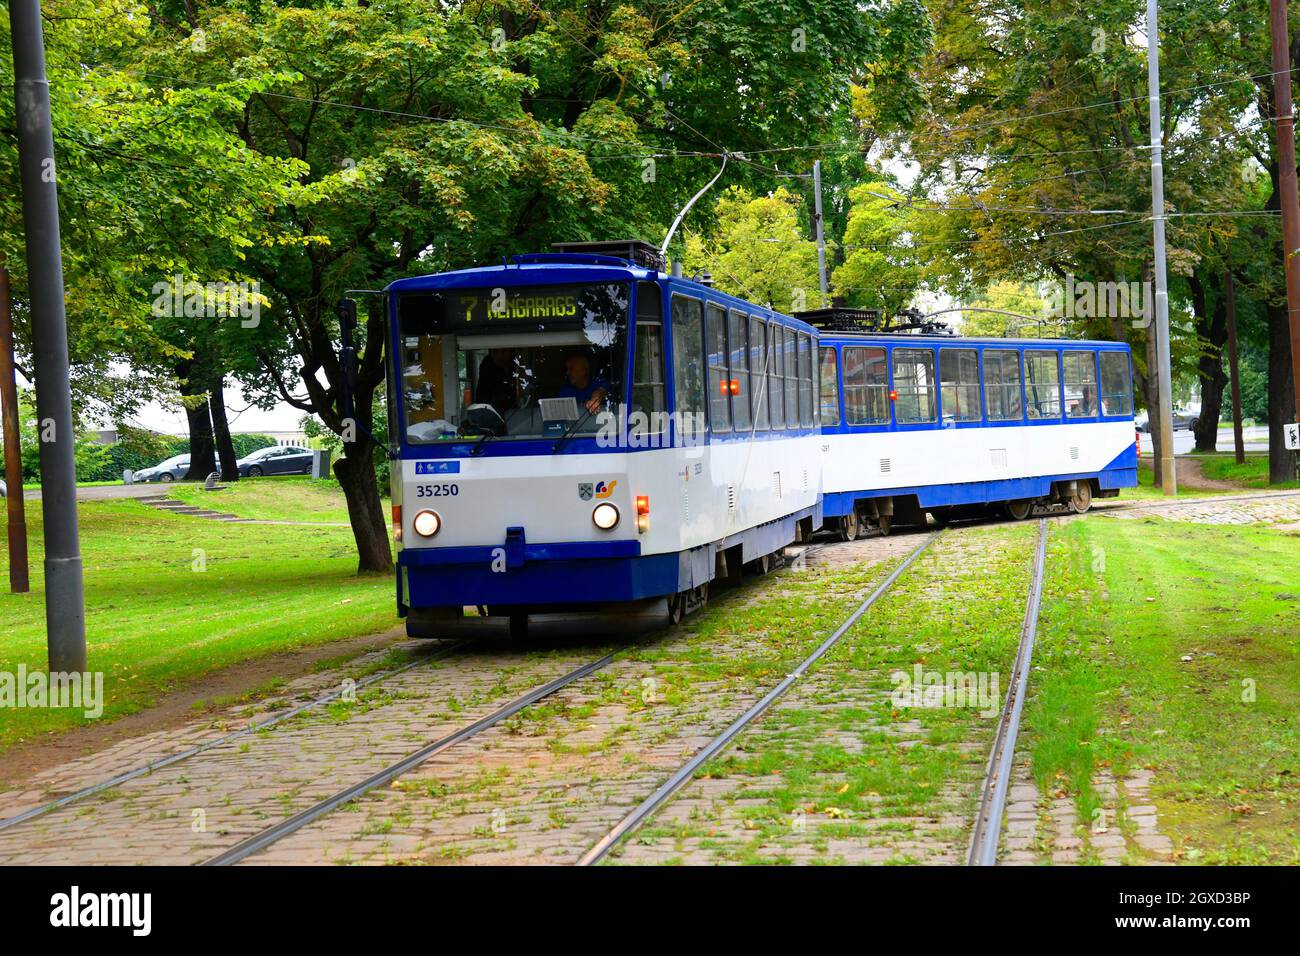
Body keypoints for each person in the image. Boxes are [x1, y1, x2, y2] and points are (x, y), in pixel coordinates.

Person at [475, 348, 517, 415]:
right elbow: (482, 394)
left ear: (511, 352)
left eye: (504, 351)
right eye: (495, 351)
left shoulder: (519, 363)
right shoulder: (487, 364)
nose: (499, 356)